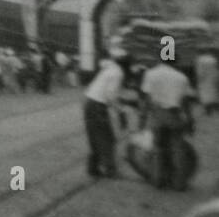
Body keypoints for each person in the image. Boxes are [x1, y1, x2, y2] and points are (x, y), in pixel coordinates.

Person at [140, 58, 196, 191]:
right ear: (175, 62)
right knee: (177, 149)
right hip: (174, 115)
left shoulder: (151, 73)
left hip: (157, 114)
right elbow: (185, 102)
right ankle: (179, 184)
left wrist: (142, 118)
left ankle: (158, 180)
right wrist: (190, 121)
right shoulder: (181, 77)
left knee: (158, 148)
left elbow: (147, 99)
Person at [84, 51, 127, 178]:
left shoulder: (110, 68)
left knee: (94, 138)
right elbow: (111, 96)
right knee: (107, 139)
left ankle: (93, 168)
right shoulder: (118, 73)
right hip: (98, 106)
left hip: (89, 102)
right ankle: (110, 170)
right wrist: (121, 112)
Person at [196, 47, 218, 117]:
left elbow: (200, 72)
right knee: (215, 93)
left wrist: (198, 79)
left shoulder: (199, 59)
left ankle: (208, 111)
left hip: (204, 79)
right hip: (214, 77)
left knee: (205, 94)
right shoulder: (212, 59)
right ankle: (216, 108)